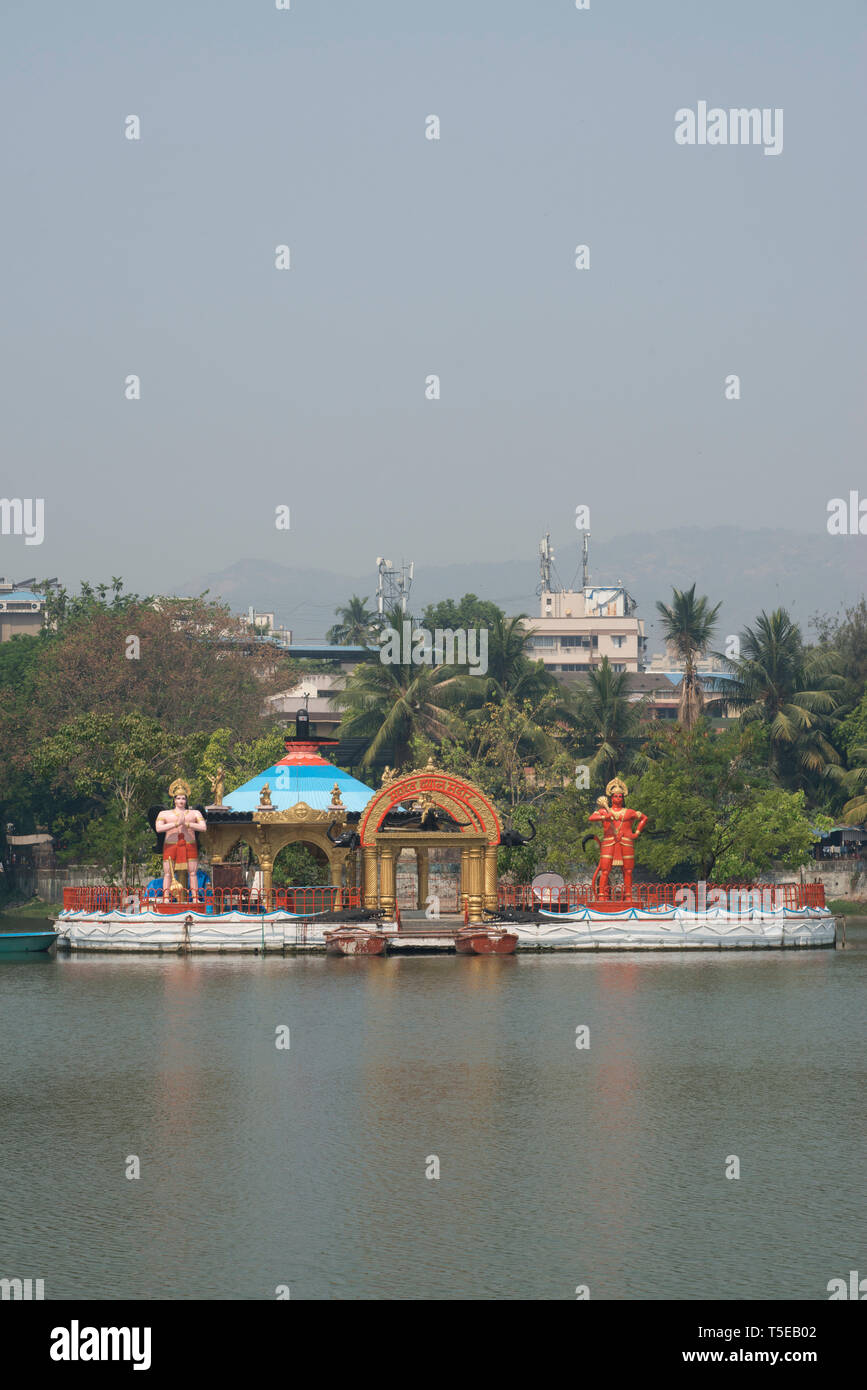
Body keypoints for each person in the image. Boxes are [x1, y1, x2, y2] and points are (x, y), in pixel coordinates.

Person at [155, 779, 207, 902]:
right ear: (174, 799)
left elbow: (203, 827)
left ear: (186, 800)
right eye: (178, 798)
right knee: (168, 873)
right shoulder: (165, 813)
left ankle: (195, 898)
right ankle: (166, 898)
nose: (181, 801)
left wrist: (187, 824)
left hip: (189, 844)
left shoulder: (194, 813)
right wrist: (176, 824)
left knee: (193, 872)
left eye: (183, 798)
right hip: (170, 845)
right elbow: (159, 828)